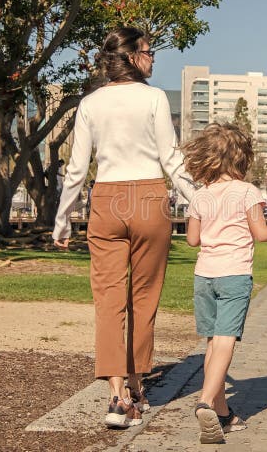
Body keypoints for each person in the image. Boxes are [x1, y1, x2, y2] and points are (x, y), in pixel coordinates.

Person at [52, 26, 195, 428]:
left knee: (109, 299)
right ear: (131, 57)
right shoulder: (154, 98)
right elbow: (171, 158)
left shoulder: (90, 103)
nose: (152, 59)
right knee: (144, 298)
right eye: (149, 52)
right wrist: (199, 200)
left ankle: (117, 395)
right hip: (149, 197)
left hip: (107, 200)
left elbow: (77, 168)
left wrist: (62, 220)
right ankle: (136, 384)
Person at [181, 123, 267, 444]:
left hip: (204, 276)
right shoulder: (247, 191)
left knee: (213, 343)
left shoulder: (200, 195)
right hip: (234, 275)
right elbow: (261, 233)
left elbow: (192, 240)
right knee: (226, 340)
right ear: (241, 157)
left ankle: (222, 413)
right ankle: (205, 402)